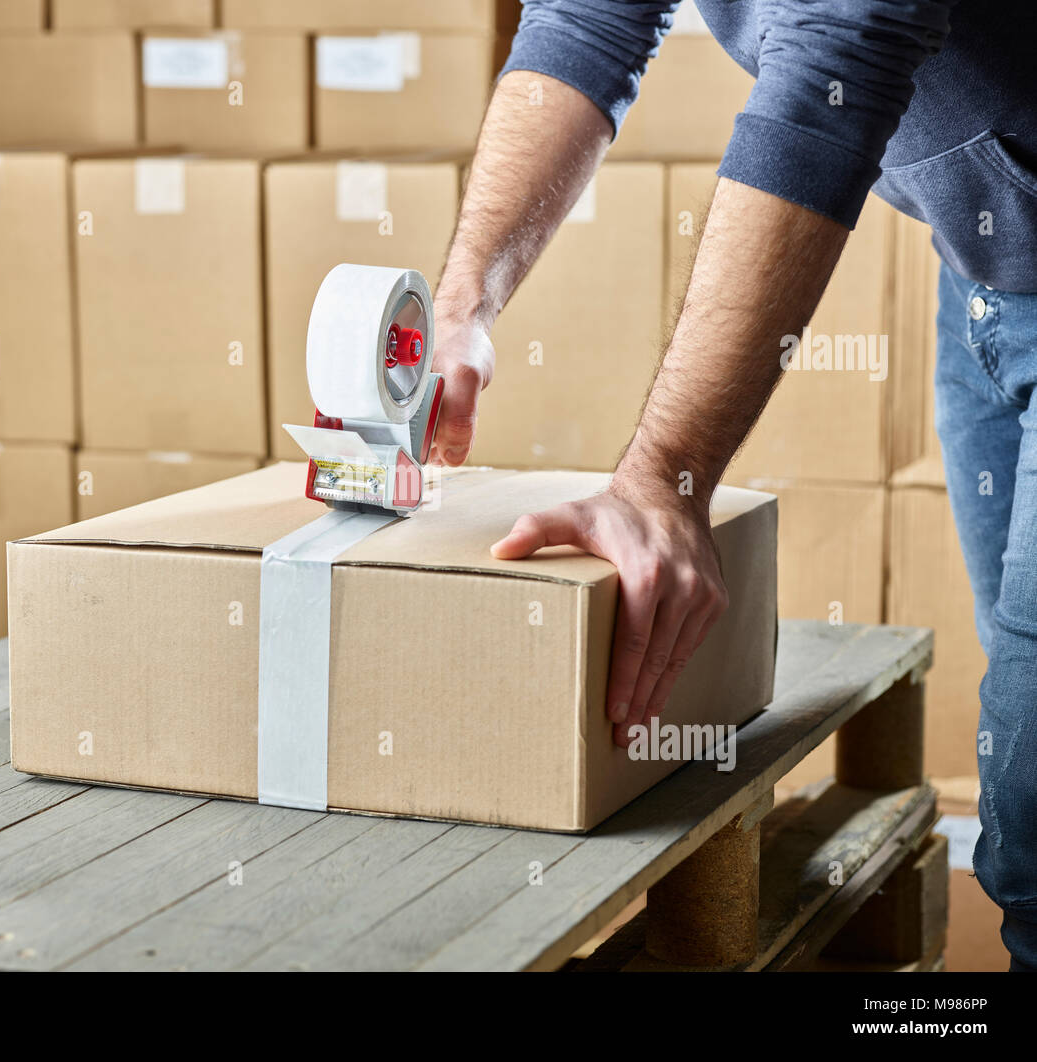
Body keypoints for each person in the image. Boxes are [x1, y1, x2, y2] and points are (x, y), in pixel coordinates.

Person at [428, 0, 1037, 970]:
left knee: (1034, 825)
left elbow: (843, 44)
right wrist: (457, 309)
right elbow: (586, 19)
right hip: (992, 262)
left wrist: (663, 479)